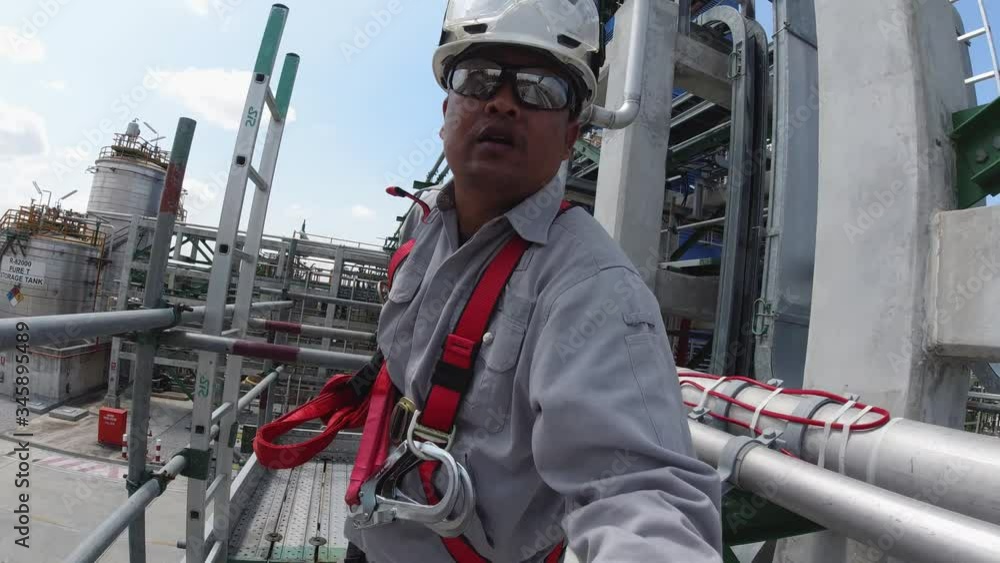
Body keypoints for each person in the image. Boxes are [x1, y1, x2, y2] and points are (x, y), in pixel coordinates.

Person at [344, 1, 722, 561]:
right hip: (377, 533)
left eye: (540, 88)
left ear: (572, 135)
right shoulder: (428, 232)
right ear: (448, 107)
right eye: (478, 80)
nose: (502, 101)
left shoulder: (593, 290)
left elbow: (640, 495)